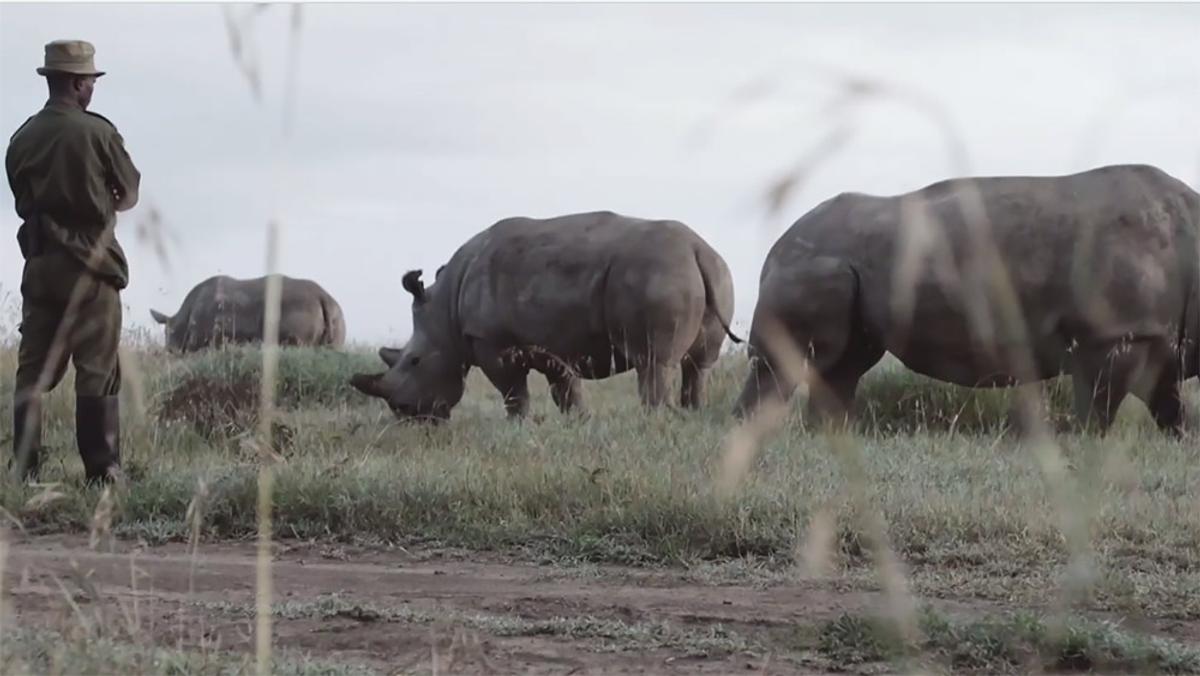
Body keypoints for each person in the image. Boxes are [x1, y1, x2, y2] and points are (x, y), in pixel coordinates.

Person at [6, 39, 141, 484]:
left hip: (42, 268)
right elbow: (129, 194)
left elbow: (21, 200)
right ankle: (102, 473)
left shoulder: (21, 138)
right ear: (80, 84)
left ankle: (23, 468)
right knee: (96, 371)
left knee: (32, 374)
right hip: (93, 267)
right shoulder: (99, 133)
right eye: (90, 82)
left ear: (52, 80)